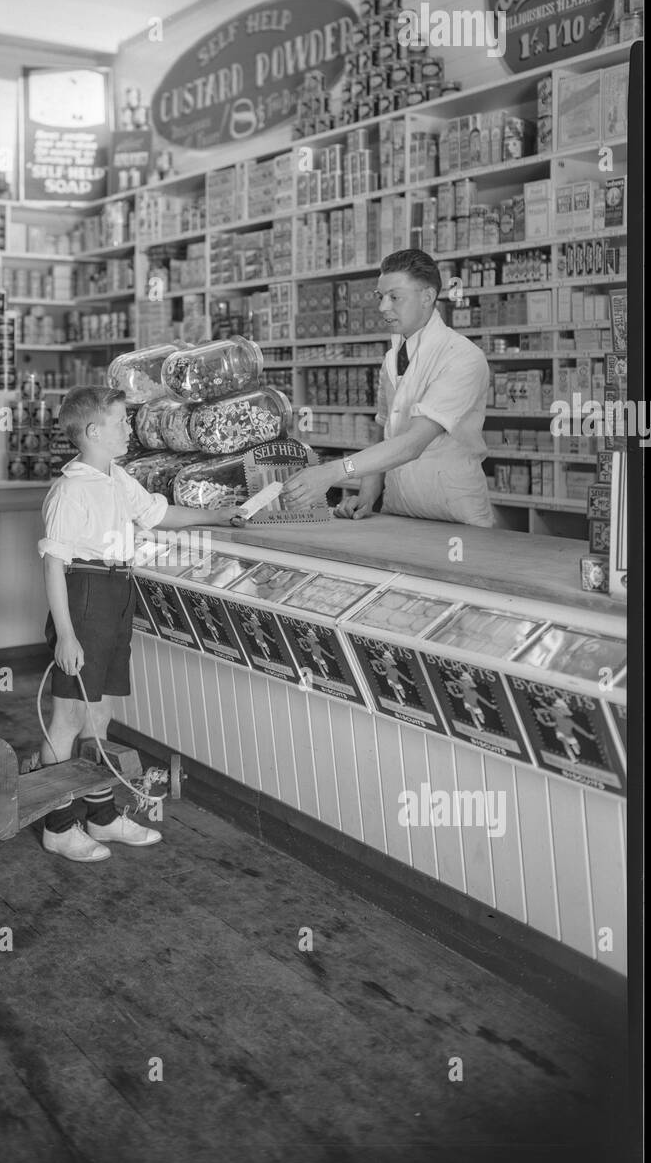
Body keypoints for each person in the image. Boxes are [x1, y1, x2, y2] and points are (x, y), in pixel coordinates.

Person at [37, 385, 241, 863]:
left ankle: (101, 815)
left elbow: (157, 513)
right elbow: (52, 565)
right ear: (92, 432)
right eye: (121, 420)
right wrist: (66, 634)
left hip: (117, 592)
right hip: (83, 596)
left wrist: (218, 515)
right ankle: (57, 825)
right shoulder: (69, 490)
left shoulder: (116, 478)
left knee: (101, 713)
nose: (129, 427)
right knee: (67, 716)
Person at [281, 249, 495, 527]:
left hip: (454, 515)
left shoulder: (462, 357)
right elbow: (387, 435)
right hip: (399, 511)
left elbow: (413, 444)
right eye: (380, 297)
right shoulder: (392, 358)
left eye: (394, 297)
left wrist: (333, 472)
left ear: (427, 297)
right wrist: (368, 494)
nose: (383, 307)